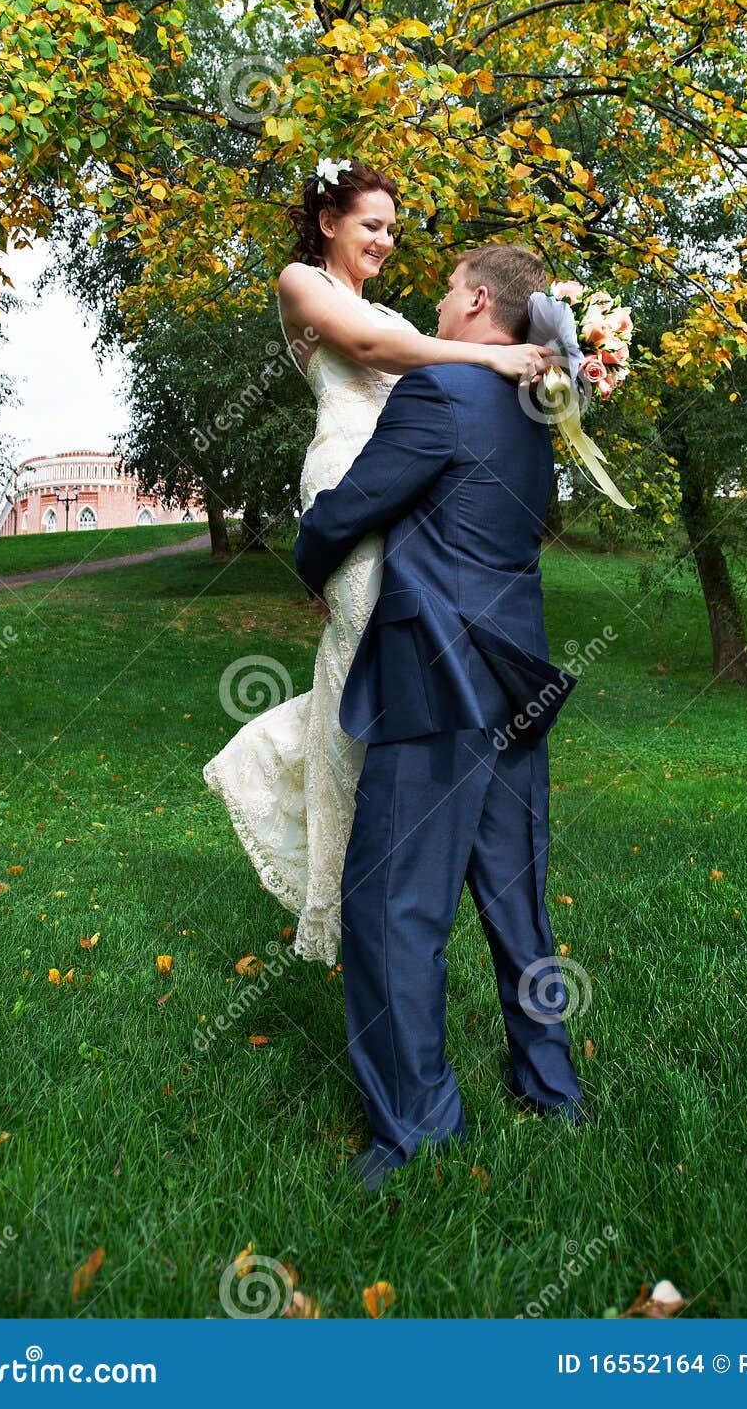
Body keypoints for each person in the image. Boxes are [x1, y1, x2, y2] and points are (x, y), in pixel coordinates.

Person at [202, 159, 552, 964]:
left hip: (407, 492)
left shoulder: (401, 318)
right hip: (350, 486)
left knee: (384, 664)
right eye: (371, 225)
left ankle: (395, 859)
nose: (386, 241)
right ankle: (370, 876)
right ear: (329, 223)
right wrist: (491, 359)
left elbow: (410, 356)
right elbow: (369, 346)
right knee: (377, 664)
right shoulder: (302, 284)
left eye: (392, 229)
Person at [295, 239, 585, 1190]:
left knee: (391, 905)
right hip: (517, 671)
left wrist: (307, 557)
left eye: (445, 290)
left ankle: (417, 1127)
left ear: (472, 305)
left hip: (436, 676)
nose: (432, 301)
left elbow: (356, 505)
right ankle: (550, 1087)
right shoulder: (533, 412)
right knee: (516, 902)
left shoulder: (440, 394)